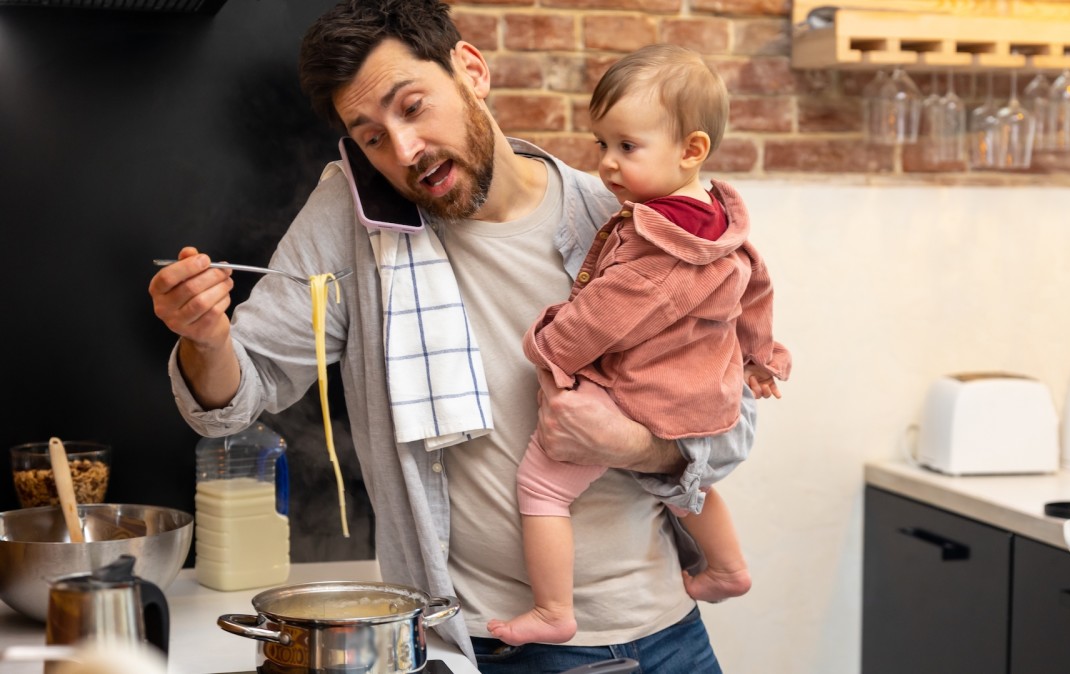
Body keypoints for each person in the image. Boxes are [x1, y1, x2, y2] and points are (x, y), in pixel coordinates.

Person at [146, 1, 757, 671]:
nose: (403, 151)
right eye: (371, 136)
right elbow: (240, 395)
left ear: (470, 69)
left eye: (412, 107)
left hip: (669, 630)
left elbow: (729, 428)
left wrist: (634, 445)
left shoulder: (621, 219)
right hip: (493, 645)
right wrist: (205, 337)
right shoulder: (354, 221)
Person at [486, 44, 791, 647]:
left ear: (691, 149)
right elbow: (757, 289)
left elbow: (599, 319)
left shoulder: (659, 249)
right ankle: (728, 568)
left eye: (627, 147)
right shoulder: (721, 227)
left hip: (645, 393)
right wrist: (761, 357)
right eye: (602, 145)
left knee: (542, 487)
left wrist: (546, 346)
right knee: (684, 484)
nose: (606, 164)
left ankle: (553, 611)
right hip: (699, 396)